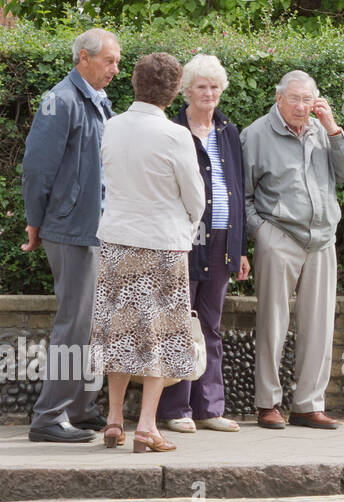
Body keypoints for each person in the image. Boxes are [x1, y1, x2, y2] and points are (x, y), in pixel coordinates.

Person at [89, 53, 205, 453]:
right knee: (162, 334)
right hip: (162, 244)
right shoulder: (176, 136)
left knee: (119, 332)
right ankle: (146, 426)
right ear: (174, 92)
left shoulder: (111, 126)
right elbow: (195, 198)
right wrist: (189, 224)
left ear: (135, 84)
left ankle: (114, 420)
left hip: (117, 243)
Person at [242, 70, 344, 430]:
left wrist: (333, 128)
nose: (301, 107)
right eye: (294, 99)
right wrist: (261, 232)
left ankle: (308, 405)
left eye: (307, 100)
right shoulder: (256, 135)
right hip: (278, 236)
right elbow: (243, 194)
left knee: (319, 325)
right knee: (272, 324)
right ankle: (268, 404)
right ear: (279, 99)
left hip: (322, 239)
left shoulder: (321, 131)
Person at [22, 27, 121, 443]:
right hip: (71, 229)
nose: (115, 69)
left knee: (92, 325)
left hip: (94, 229)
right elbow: (37, 168)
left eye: (117, 61)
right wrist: (34, 221)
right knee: (74, 325)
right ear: (83, 57)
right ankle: (49, 417)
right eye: (109, 61)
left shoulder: (97, 101)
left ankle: (82, 408)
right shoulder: (60, 100)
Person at [157, 55, 248, 435]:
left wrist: (241, 248)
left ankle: (209, 408)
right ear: (186, 91)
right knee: (179, 323)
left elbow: (238, 190)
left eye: (214, 87)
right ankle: (176, 409)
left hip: (224, 240)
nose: (209, 93)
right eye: (201, 87)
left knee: (210, 324)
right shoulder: (174, 129)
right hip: (185, 239)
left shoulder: (228, 132)